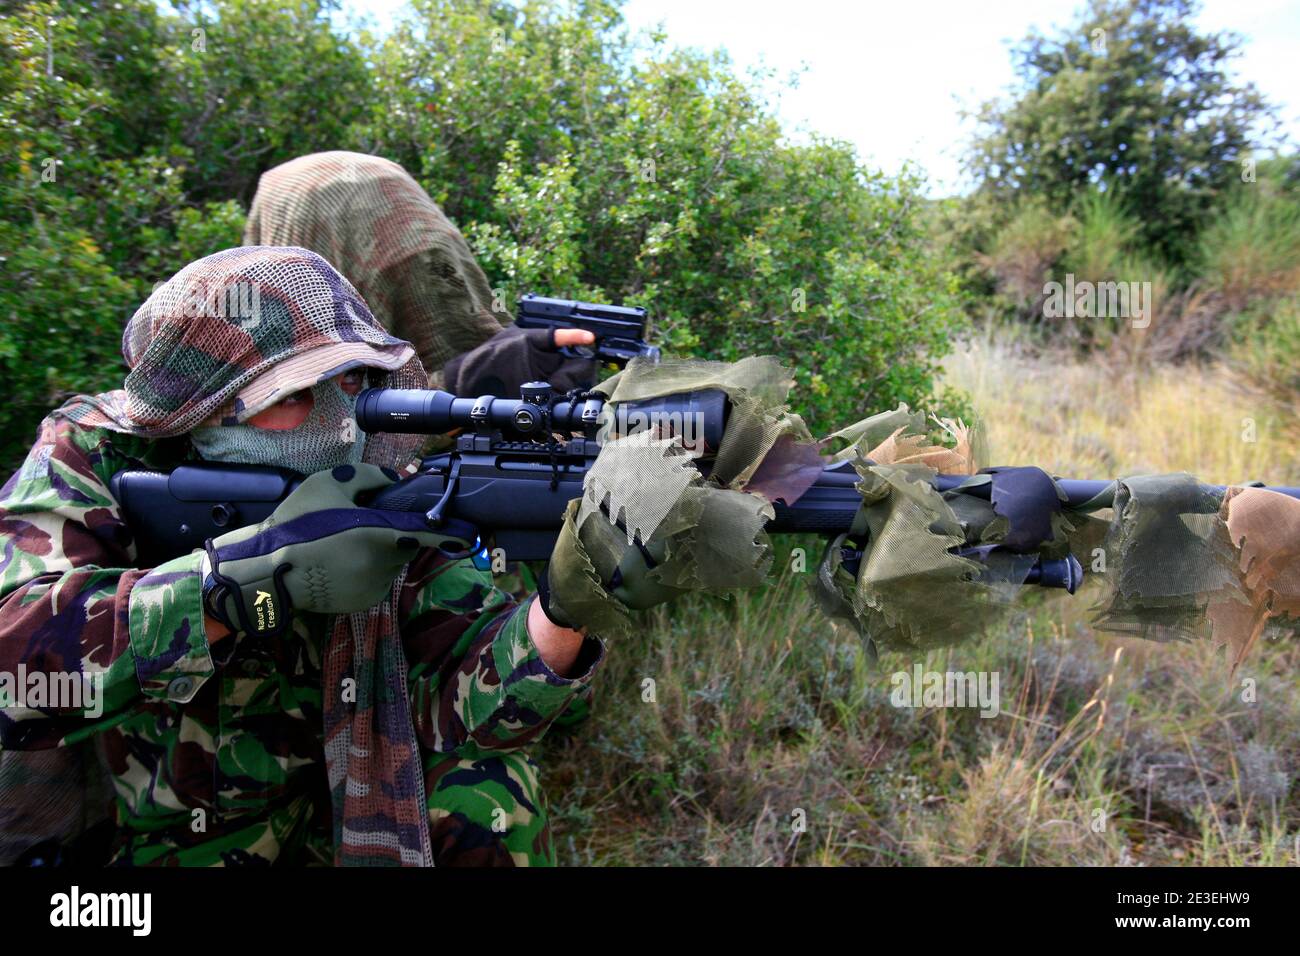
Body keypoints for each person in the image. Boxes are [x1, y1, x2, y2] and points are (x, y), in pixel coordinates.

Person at [0, 245, 669, 866]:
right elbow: (14, 663)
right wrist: (246, 581)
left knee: (489, 793)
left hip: (351, 800)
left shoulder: (381, 473)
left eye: (351, 384)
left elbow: (469, 706)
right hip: (177, 827)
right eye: (292, 396)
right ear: (200, 409)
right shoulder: (94, 455)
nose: (337, 423)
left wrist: (565, 605)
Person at [243, 150, 597, 398]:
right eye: (382, 245)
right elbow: (324, 432)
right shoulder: (232, 370)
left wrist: (529, 380)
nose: (418, 258)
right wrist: (461, 389)